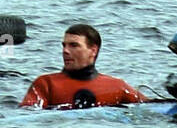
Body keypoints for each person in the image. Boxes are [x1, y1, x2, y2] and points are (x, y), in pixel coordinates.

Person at [19, 24, 148, 109]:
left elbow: (152, 108)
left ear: (93, 50)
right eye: (64, 45)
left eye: (73, 45)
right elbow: (28, 115)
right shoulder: (46, 84)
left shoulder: (117, 87)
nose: (65, 51)